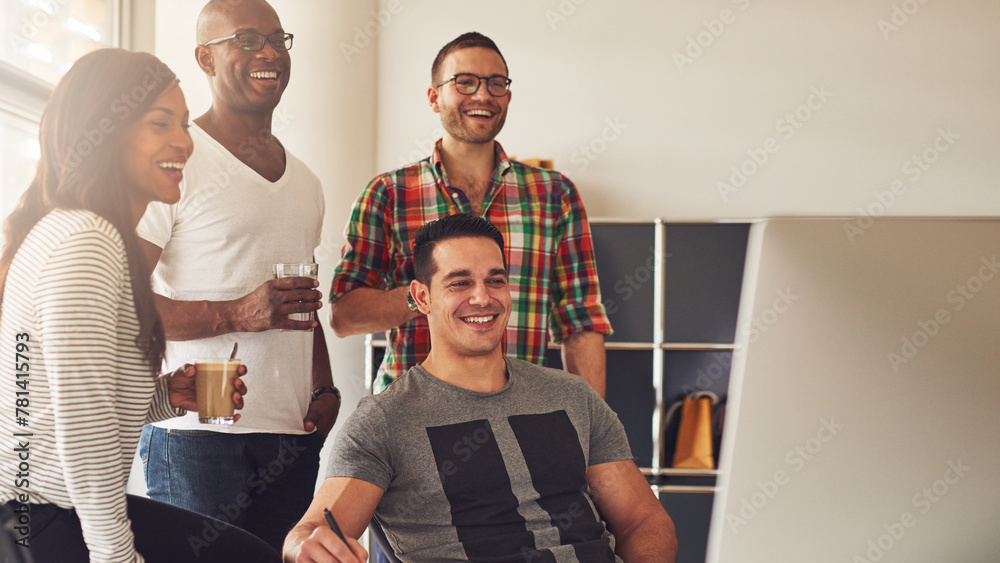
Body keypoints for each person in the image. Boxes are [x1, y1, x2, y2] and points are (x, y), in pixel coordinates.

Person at [0, 48, 278, 562]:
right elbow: (83, 438)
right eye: (159, 123)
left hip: (34, 513)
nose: (184, 142)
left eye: (183, 123)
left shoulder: (70, 229)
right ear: (104, 133)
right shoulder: (87, 241)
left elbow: (66, 400)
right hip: (39, 521)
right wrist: (116, 557)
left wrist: (167, 397)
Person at [284, 214, 678, 562]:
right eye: (459, 283)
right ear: (422, 297)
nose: (482, 297)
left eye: (495, 281)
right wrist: (304, 547)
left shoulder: (572, 396)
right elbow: (311, 532)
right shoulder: (383, 421)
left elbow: (642, 520)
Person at [136, 0, 339, 552]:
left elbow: (304, 304)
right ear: (205, 57)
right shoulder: (174, 159)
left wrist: (323, 386)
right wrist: (236, 312)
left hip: (292, 437)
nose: (269, 52)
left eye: (277, 38)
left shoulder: (308, 183)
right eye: (246, 40)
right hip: (196, 435)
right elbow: (123, 302)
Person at [328, 32, 612, 397]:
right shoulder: (388, 194)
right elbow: (343, 316)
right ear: (434, 97)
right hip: (413, 416)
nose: (482, 95)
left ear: (507, 96)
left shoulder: (555, 195)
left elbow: (581, 322)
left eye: (496, 83)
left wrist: (593, 434)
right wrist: (426, 296)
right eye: (465, 82)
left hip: (523, 417)